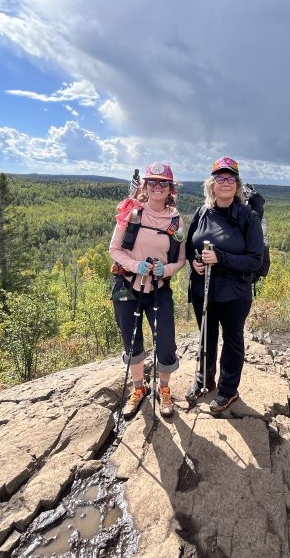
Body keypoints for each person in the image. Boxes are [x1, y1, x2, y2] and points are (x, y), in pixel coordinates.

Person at [185, 156, 264, 413]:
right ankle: (204, 380)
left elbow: (255, 260)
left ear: (237, 185)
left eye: (231, 178)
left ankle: (228, 389)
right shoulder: (202, 213)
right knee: (206, 336)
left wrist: (221, 258)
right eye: (220, 178)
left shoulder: (248, 217)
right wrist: (194, 262)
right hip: (203, 289)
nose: (226, 182)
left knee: (232, 340)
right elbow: (189, 246)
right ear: (212, 184)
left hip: (234, 293)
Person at [110, 162, 186, 419]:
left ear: (171, 188)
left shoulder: (175, 220)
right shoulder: (132, 212)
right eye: (152, 181)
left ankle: (164, 389)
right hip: (127, 285)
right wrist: (135, 266)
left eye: (163, 182)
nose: (157, 186)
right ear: (144, 185)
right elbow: (114, 249)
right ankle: (138, 388)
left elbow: (181, 259)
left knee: (165, 342)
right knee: (131, 340)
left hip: (158, 288)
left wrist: (166, 270)